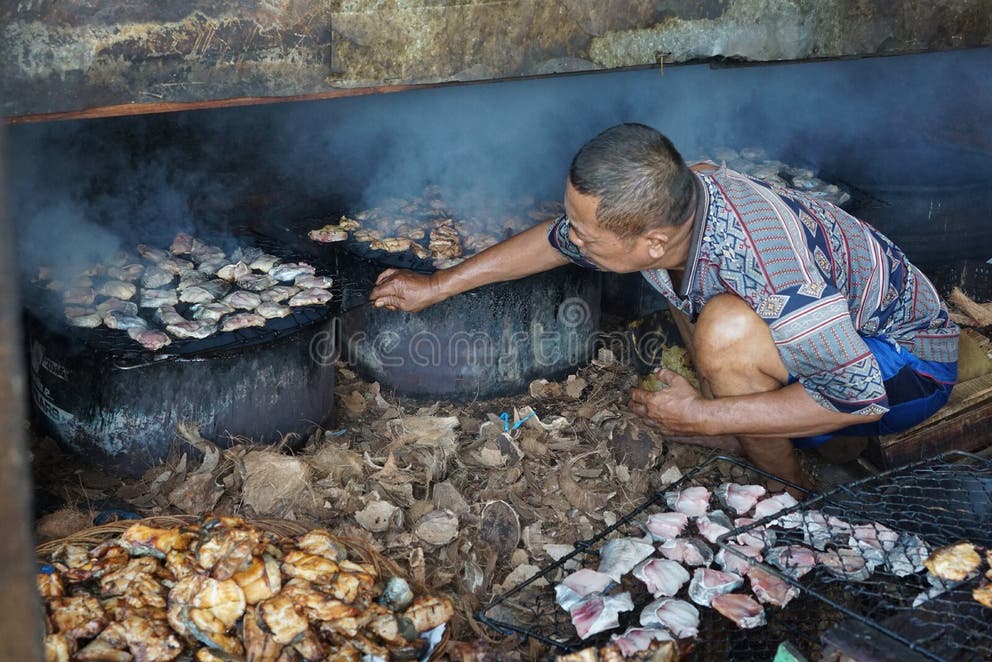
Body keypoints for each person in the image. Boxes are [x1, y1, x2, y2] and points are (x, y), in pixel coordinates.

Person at [369, 123, 959, 489]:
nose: (571, 239)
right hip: (829, 348)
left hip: (907, 371)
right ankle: (758, 426)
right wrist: (439, 285)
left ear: (653, 239)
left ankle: (786, 498)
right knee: (716, 326)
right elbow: (550, 242)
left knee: (725, 330)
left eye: (585, 233)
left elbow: (856, 400)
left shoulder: (770, 265)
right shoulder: (672, 206)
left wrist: (700, 417)